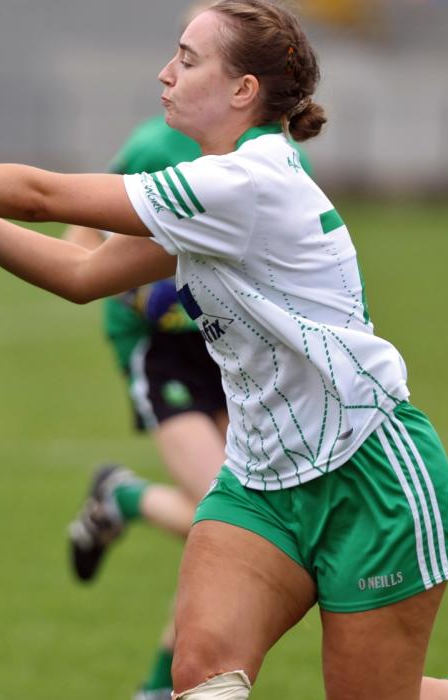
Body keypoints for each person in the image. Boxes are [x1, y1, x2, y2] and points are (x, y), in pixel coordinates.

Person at [0, 2, 448, 698]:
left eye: (188, 60)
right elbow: (80, 274)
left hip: (369, 475)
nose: (166, 74)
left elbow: (42, 196)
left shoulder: (245, 184)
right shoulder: (209, 192)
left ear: (243, 90)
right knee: (199, 673)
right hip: (262, 478)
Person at [64, 107, 315, 700]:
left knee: (239, 521)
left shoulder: (274, 158)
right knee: (225, 517)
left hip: (233, 351)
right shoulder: (155, 144)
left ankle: (124, 497)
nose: (173, 73)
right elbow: (80, 238)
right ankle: (159, 684)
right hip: (160, 352)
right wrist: (138, 290)